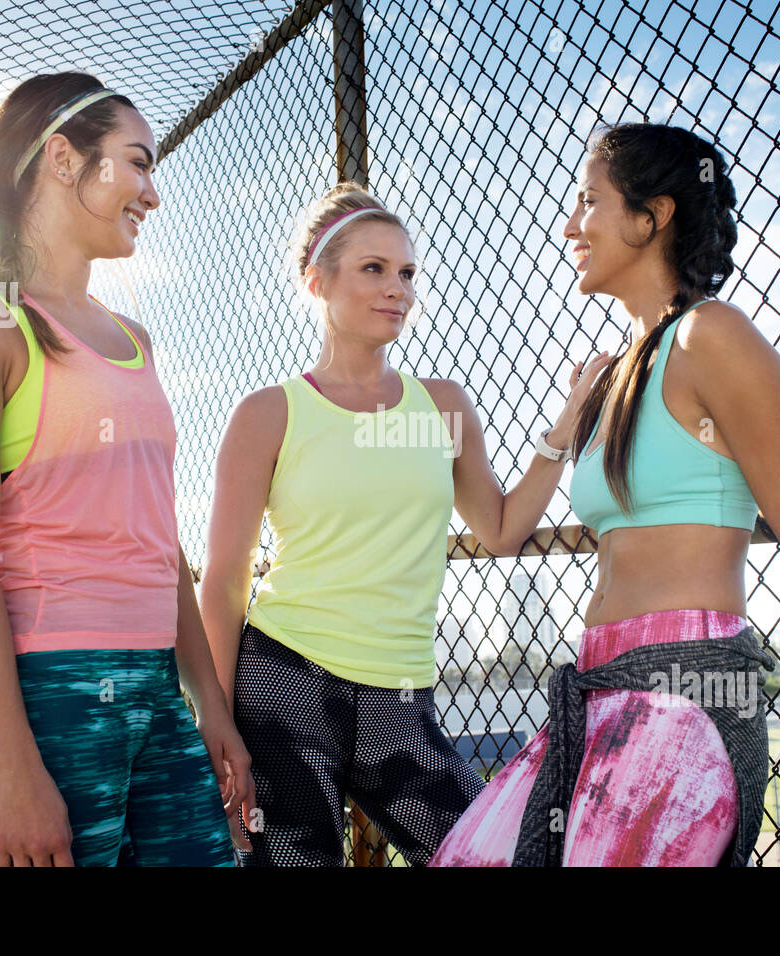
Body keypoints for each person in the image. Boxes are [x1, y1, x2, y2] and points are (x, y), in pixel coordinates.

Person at [430, 122, 780, 867]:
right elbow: (505, 525)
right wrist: (567, 419)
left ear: (653, 215)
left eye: (589, 202)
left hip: (687, 693)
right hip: (598, 688)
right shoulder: (617, 373)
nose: (570, 226)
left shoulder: (713, 338)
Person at [200, 182, 611, 866]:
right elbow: (222, 582)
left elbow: (502, 528)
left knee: (494, 855)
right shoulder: (268, 413)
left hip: (399, 694)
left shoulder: (444, 405)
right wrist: (216, 726)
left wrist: (562, 432)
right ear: (316, 281)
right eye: (373, 269)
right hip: (283, 682)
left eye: (407, 273)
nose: (398, 289)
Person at [0, 72, 241, 866]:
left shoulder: (137, 339)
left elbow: (162, 548)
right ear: (63, 159)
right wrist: (11, 765)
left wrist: (210, 708)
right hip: (41, 696)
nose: (152, 192)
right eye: (137, 161)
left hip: (158, 692)